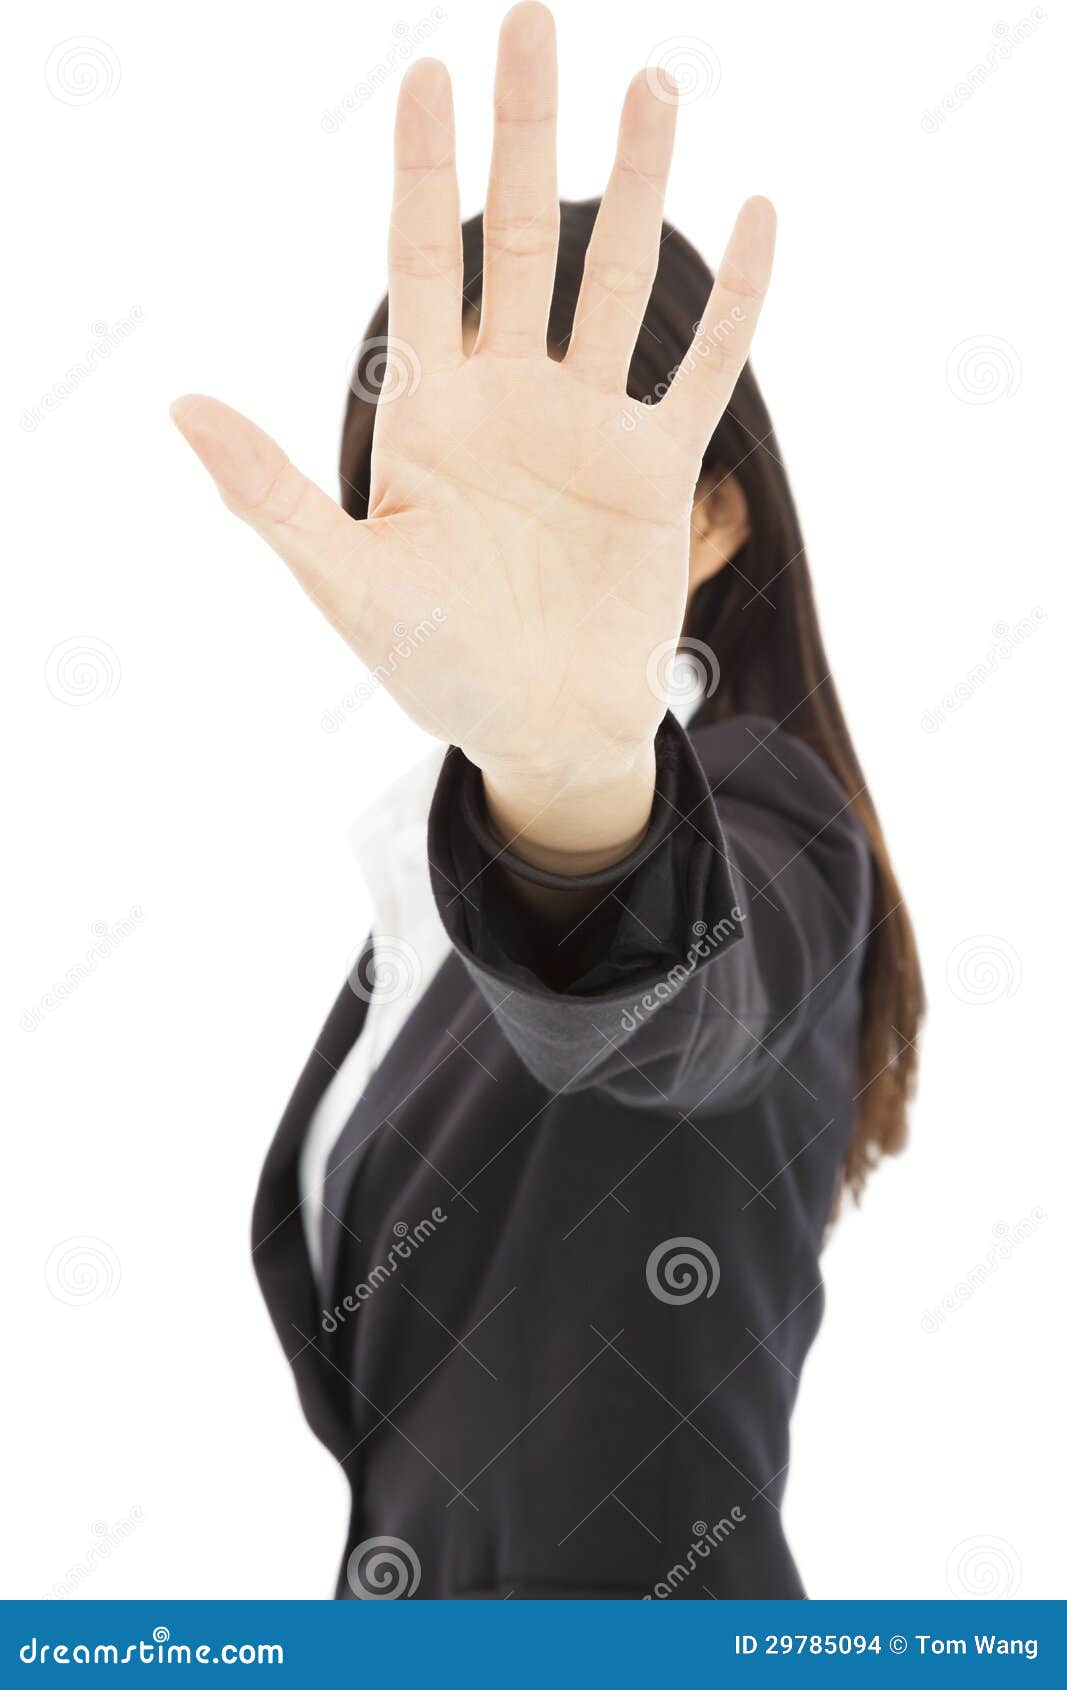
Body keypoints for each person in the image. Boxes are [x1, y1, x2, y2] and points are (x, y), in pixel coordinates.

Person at [171, 2, 922, 1600]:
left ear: (714, 519)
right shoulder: (415, 905)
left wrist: (577, 771)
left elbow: (677, 1009)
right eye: (413, 495)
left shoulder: (771, 828)